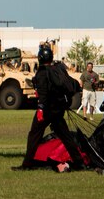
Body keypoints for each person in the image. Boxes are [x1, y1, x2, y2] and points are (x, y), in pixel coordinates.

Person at [17, 44, 84, 172]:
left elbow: (43, 94)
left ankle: (27, 164)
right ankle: (79, 162)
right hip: (58, 110)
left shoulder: (42, 73)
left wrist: (41, 109)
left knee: (34, 136)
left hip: (47, 110)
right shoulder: (58, 70)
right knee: (66, 136)